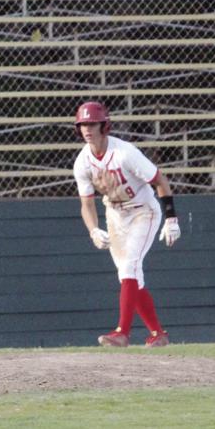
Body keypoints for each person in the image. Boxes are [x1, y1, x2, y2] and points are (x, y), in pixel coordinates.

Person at [73, 102, 180, 348]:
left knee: (130, 267)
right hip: (115, 215)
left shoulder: (125, 152)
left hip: (143, 211)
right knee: (129, 276)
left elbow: (159, 180)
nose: (87, 129)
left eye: (92, 123)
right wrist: (93, 230)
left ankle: (122, 331)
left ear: (104, 125)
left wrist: (172, 218)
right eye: (83, 124)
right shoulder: (82, 162)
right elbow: (86, 204)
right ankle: (158, 334)